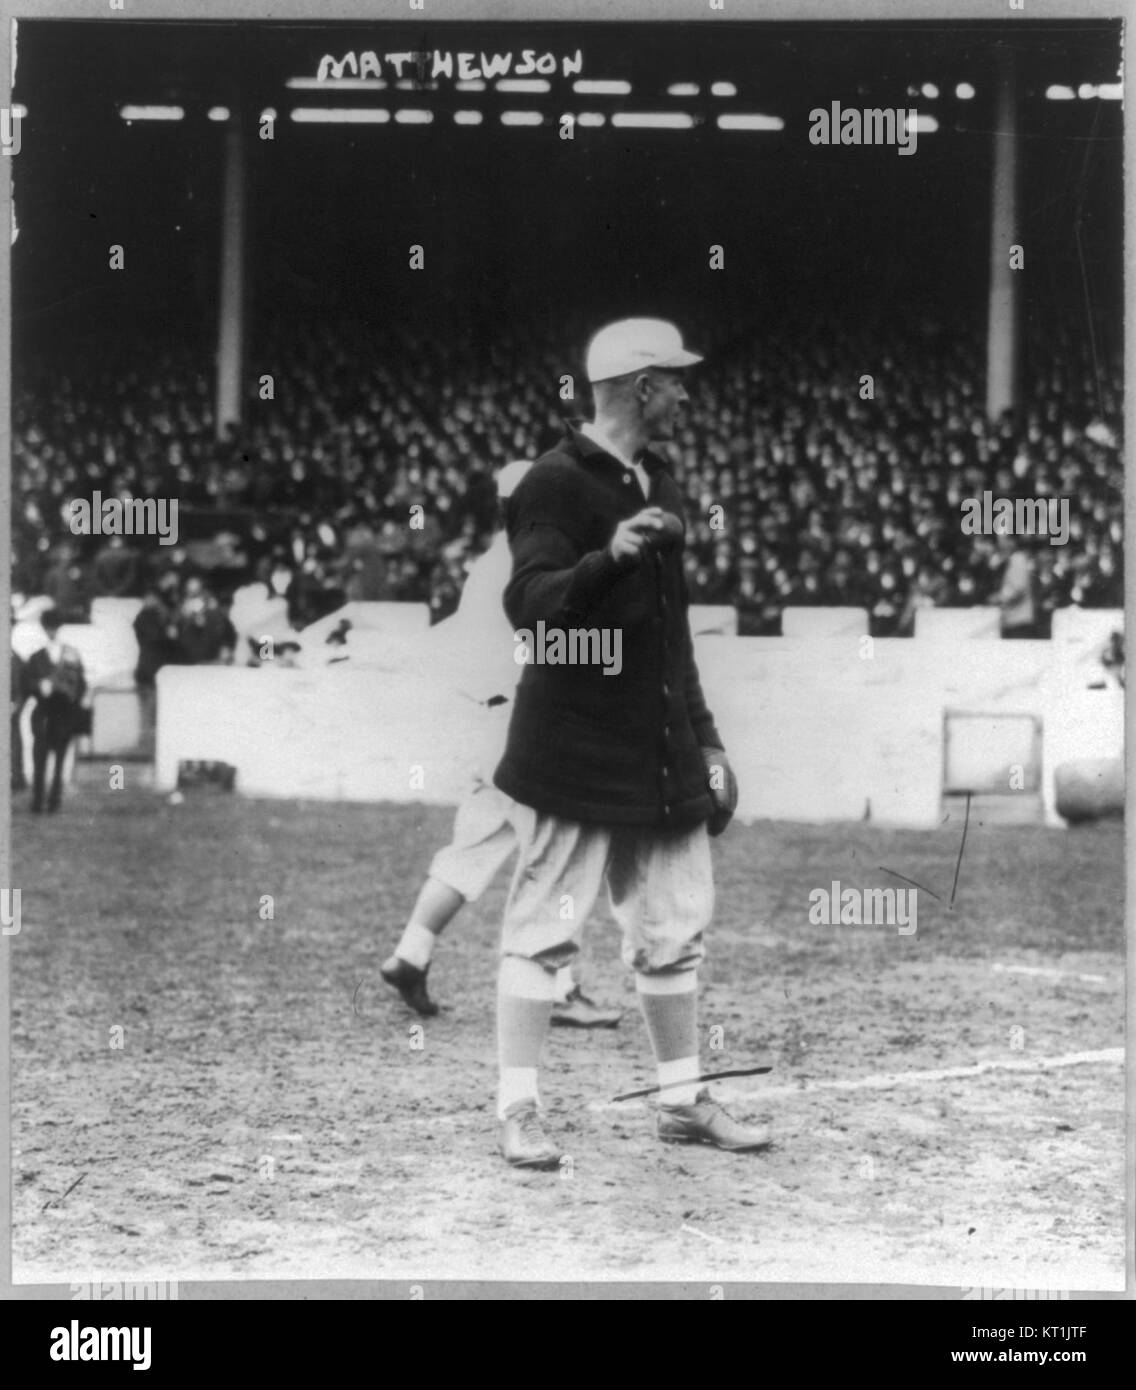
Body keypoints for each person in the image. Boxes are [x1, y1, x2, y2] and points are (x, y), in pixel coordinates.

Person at [491, 318, 771, 1168]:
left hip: (659, 745)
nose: (687, 393)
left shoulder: (664, 480)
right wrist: (606, 558)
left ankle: (682, 1101)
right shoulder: (553, 482)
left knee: (673, 927)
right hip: (573, 745)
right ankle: (518, 1110)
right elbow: (529, 606)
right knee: (544, 932)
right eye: (676, 380)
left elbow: (670, 635)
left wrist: (709, 741)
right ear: (639, 386)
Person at [380, 461, 622, 1029]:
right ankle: (559, 987)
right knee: (563, 851)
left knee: (473, 848)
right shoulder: (535, 562)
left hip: (483, 724)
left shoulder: (489, 561)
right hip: (527, 722)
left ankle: (411, 953)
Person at [23, 608, 86, 814]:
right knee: (39, 758)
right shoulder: (36, 657)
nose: (51, 631)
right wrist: (39, 686)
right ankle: (37, 800)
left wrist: (71, 698)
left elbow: (80, 684)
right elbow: (27, 683)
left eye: (54, 627)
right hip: (43, 713)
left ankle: (54, 801)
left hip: (63, 713)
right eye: (47, 627)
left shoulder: (71, 654)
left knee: (60, 760)